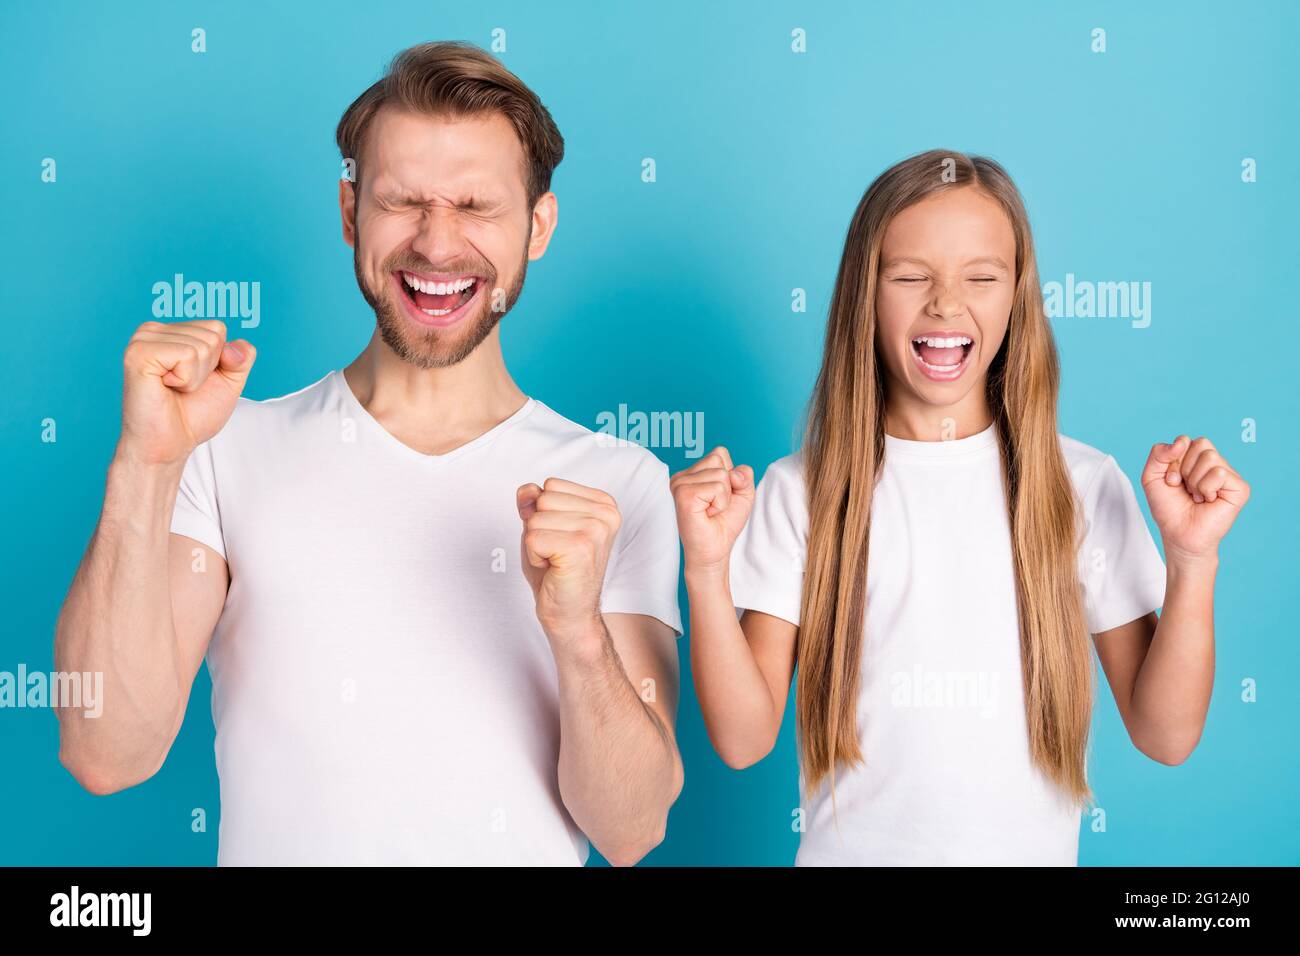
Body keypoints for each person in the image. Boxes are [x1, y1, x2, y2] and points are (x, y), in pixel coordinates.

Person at [54, 42, 684, 866]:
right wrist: (144, 464)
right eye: (403, 201)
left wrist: (578, 635)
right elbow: (107, 753)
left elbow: (631, 830)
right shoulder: (220, 450)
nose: (436, 242)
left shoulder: (618, 483)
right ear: (351, 213)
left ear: (538, 227)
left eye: (475, 206)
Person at [672, 149, 1250, 865]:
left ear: (1015, 295)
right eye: (911, 276)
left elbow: (1167, 737)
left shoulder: (1082, 484)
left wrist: (1193, 561)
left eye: (981, 277)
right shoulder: (803, 491)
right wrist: (704, 570)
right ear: (866, 293)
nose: (946, 302)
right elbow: (741, 739)